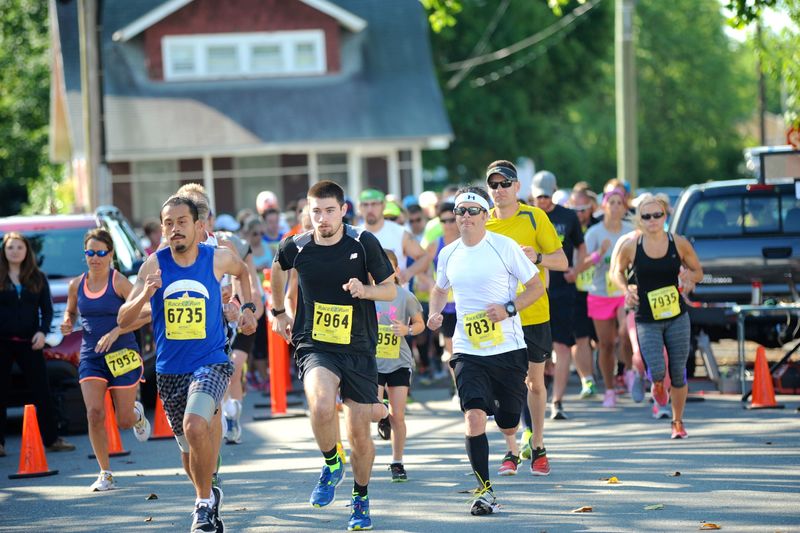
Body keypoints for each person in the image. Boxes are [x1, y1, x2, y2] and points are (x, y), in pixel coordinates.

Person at [118, 196, 258, 533]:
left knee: (196, 426)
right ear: (162, 229)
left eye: (182, 221)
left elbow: (243, 272)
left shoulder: (218, 258)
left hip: (211, 361)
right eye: (168, 223)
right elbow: (124, 319)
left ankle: (203, 504)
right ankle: (207, 492)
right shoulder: (154, 264)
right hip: (170, 369)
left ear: (198, 226)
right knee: (187, 447)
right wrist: (143, 293)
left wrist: (249, 307)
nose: (175, 229)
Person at [270, 180, 396, 531]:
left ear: (343, 210)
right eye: (315, 212)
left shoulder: (362, 242)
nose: (322, 219)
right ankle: (330, 462)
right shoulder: (297, 245)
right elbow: (277, 269)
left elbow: (390, 290)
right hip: (316, 344)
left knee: (358, 434)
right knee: (321, 404)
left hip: (358, 347)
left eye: (329, 211)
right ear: (307, 213)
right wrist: (278, 311)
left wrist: (364, 289)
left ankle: (360, 497)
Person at [428, 186, 544, 516]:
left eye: (471, 210)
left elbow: (536, 287)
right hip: (467, 349)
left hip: (507, 347)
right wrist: (434, 312)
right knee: (474, 416)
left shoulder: (504, 247)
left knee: (508, 422)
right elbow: (439, 289)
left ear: (484, 215)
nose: (463, 216)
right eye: (459, 210)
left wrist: (509, 307)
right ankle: (485, 490)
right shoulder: (448, 253)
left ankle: (514, 434)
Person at [484, 161, 567, 476]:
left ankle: (539, 444)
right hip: (498, 317)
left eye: (505, 183)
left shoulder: (535, 216)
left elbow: (562, 260)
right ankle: (511, 450)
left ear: (517, 186)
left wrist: (538, 257)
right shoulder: (483, 221)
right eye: (493, 185)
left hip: (533, 312)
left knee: (534, 382)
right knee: (506, 384)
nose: (499, 190)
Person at [61, 229, 152, 491]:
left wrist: (117, 331)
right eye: (90, 252)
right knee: (94, 413)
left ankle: (136, 414)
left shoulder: (119, 282)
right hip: (92, 355)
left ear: (110, 254)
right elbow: (71, 310)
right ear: (85, 254)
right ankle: (105, 473)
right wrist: (68, 322)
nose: (95, 258)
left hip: (122, 352)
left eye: (101, 253)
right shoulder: (76, 285)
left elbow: (146, 313)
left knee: (122, 420)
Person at [611, 194, 703, 438]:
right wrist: (625, 289)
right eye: (646, 216)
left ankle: (677, 422)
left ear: (665, 216)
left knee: (678, 369)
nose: (652, 220)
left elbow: (699, 271)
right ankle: (657, 384)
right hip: (647, 317)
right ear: (640, 219)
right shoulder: (632, 245)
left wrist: (689, 278)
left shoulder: (679, 243)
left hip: (676, 315)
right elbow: (616, 272)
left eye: (657, 215)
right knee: (657, 368)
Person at [0, 233, 75, 458]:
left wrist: (42, 332)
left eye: (19, 247)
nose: (15, 251)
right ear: (4, 251)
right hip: (2, 343)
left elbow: (48, 310)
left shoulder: (38, 277)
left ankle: (52, 439)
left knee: (42, 390)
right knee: (0, 392)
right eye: (10, 247)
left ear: (26, 251)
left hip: (30, 343)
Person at [531, 171, 591, 421]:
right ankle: (536, 397)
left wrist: (575, 270)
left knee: (562, 346)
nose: (542, 201)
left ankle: (557, 401)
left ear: (553, 192)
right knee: (535, 352)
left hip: (562, 290)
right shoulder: (526, 216)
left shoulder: (567, 216)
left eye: (546, 196)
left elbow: (581, 246)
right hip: (531, 291)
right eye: (538, 196)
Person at [581, 189, 635, 407]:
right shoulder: (594, 232)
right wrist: (598, 254)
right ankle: (610, 389)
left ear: (624, 207)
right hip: (600, 292)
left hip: (623, 292)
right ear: (604, 207)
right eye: (610, 202)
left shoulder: (631, 232)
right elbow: (581, 264)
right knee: (605, 344)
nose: (614, 206)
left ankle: (630, 371)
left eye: (618, 203)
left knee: (625, 333)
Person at [374, 250, 424, 482]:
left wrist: (408, 330)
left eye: (389, 266)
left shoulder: (405, 296)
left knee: (399, 416)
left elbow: (420, 324)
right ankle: (382, 413)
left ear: (396, 270)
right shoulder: (367, 294)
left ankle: (397, 461)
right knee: (373, 413)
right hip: (373, 362)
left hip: (399, 361)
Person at [567, 187, 601, 398]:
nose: (579, 213)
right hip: (575, 289)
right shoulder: (566, 227)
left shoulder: (600, 227)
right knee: (580, 337)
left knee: (601, 339)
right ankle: (587, 380)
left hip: (601, 289)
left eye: (583, 209)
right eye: (575, 208)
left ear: (592, 208)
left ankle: (603, 368)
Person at [359, 188, 430, 287]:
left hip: (397, 299)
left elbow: (424, 257)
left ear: (383, 205)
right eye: (365, 205)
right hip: (366, 299)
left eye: (374, 204)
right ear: (359, 207)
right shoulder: (355, 235)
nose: (370, 209)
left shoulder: (400, 233)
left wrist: (408, 272)